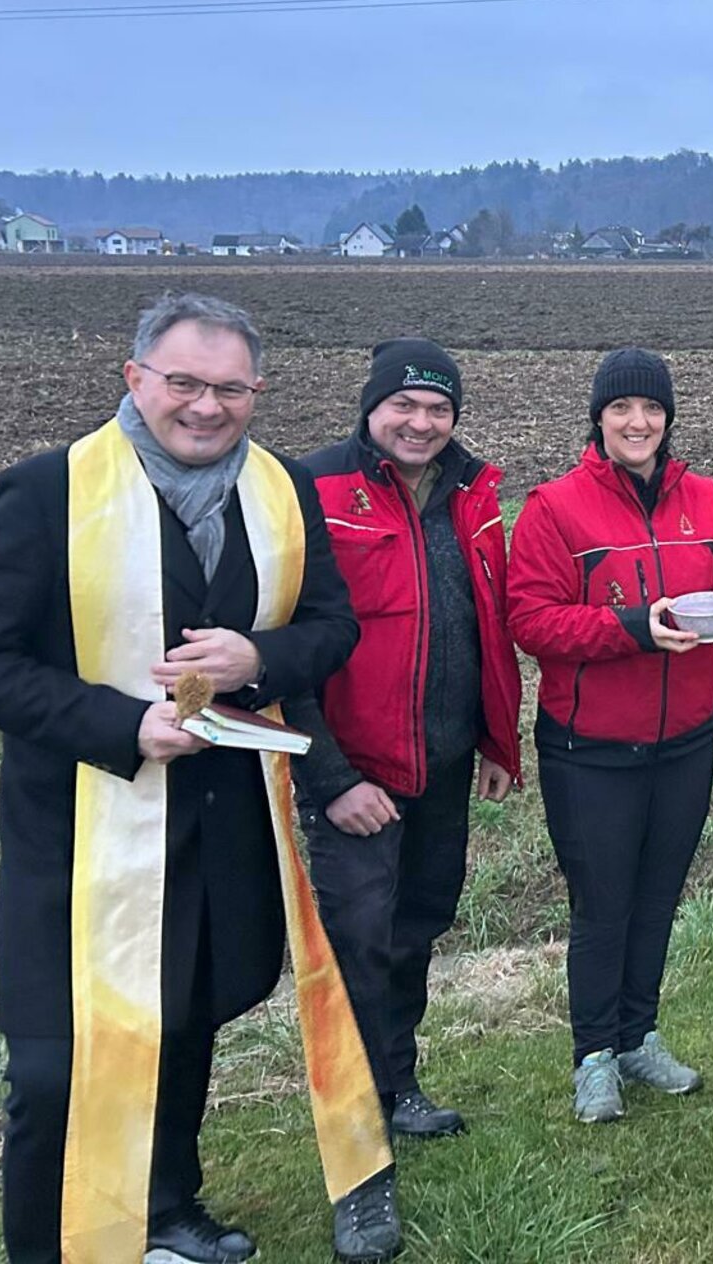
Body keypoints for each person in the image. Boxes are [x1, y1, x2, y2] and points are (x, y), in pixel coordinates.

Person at [0, 294, 400, 1264]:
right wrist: (119, 725)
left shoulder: (281, 493)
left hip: (223, 833)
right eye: (182, 381)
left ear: (256, 393)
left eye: (230, 388)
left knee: (184, 1028)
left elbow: (333, 630)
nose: (205, 406)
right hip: (80, 841)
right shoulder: (46, 492)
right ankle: (49, 1249)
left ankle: (167, 1211)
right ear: (134, 378)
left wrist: (255, 658)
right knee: (58, 1074)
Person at [505, 347, 713, 1122]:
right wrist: (633, 627)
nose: (638, 422)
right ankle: (593, 1057)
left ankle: (640, 1034)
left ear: (668, 418)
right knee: (602, 902)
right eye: (622, 410)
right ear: (599, 419)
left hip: (684, 738)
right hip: (591, 748)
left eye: (651, 409)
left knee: (657, 898)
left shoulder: (706, 500)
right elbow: (532, 621)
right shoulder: (555, 507)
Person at [293, 338, 522, 1141]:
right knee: (359, 944)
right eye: (405, 405)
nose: (421, 423)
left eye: (439, 409)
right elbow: (283, 647)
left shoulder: (473, 494)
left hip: (448, 761)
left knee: (418, 927)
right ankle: (355, 1123)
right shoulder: (315, 489)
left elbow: (485, 624)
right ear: (372, 407)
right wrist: (328, 776)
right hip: (359, 773)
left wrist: (498, 741)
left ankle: (398, 1085)